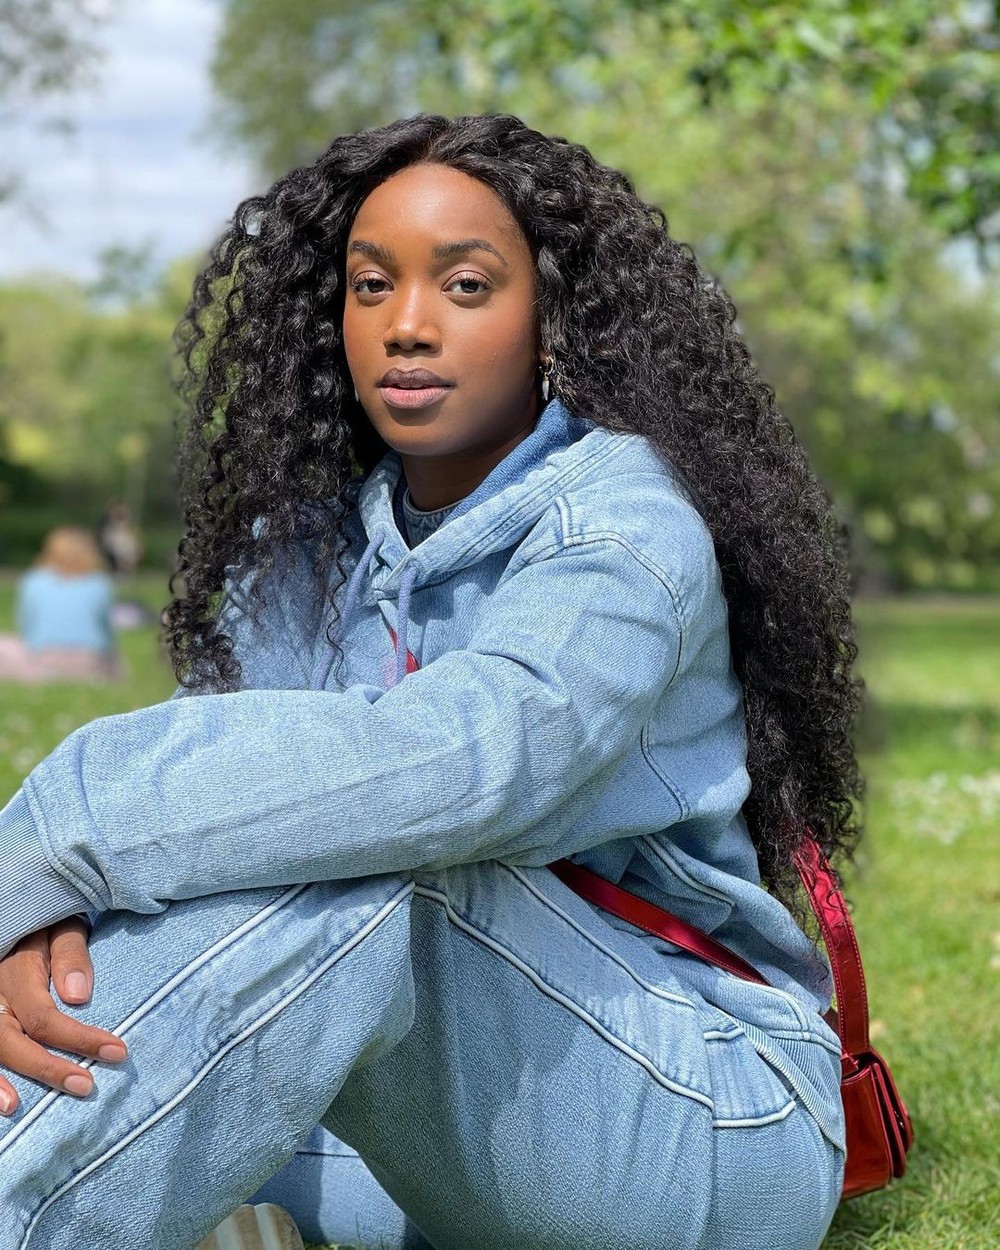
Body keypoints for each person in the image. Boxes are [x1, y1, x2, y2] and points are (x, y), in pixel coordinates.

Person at [0, 114, 862, 1250]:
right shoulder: (300, 552)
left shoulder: (622, 526)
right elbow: (209, 818)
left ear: (551, 318)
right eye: (370, 286)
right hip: (454, 1127)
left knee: (366, 854)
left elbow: (472, 766)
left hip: (702, 1105)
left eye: (465, 284)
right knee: (232, 886)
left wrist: (70, 814)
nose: (406, 324)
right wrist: (45, 948)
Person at [0, 526, 119, 682]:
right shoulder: (99, 582)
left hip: (44, 657)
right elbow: (106, 629)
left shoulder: (33, 580)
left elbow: (25, 625)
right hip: (89, 660)